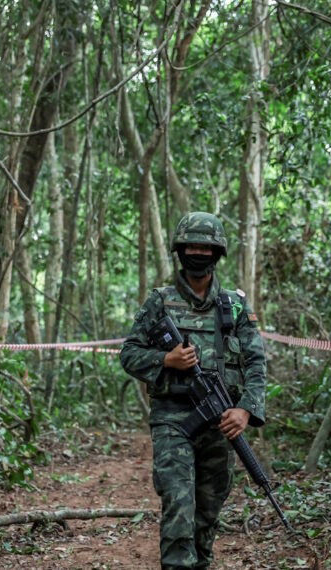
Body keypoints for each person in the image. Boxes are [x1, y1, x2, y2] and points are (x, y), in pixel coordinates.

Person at [120, 212, 267, 570]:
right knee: (179, 503)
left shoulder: (233, 305)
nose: (198, 253)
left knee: (207, 513)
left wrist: (245, 410)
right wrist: (166, 360)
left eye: (206, 248)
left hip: (221, 421)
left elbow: (256, 363)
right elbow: (129, 354)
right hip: (174, 419)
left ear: (217, 253)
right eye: (191, 247)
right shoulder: (160, 301)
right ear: (179, 250)